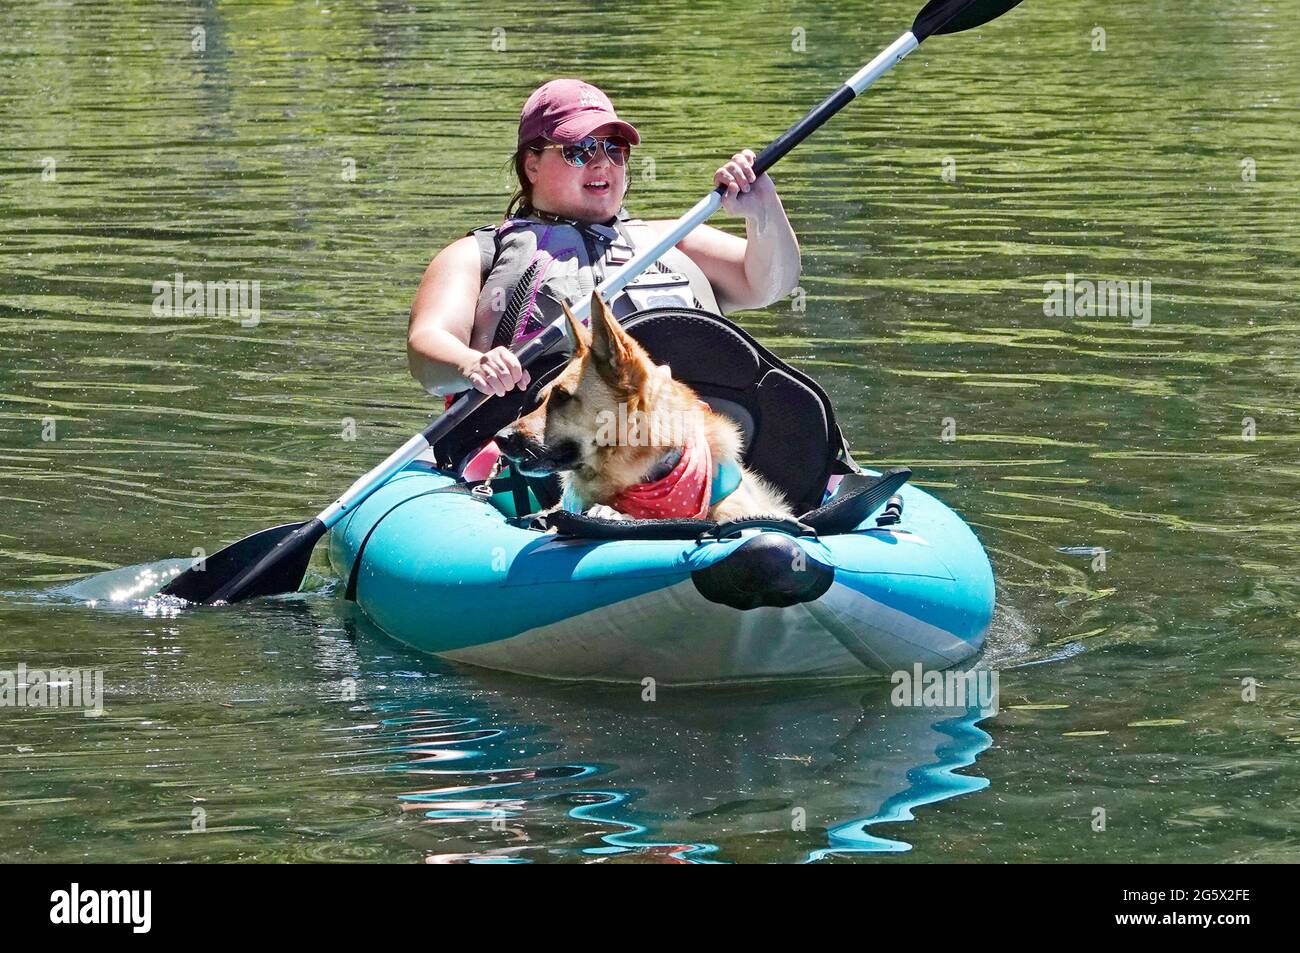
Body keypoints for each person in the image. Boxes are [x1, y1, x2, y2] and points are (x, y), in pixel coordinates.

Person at [407, 77, 802, 401]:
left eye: (615, 149)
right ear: (532, 165)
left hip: (684, 448)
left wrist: (763, 211)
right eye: (579, 150)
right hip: (545, 451)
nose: (602, 162)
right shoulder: (477, 254)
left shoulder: (676, 238)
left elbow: (770, 284)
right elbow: (427, 345)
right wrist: (470, 364)